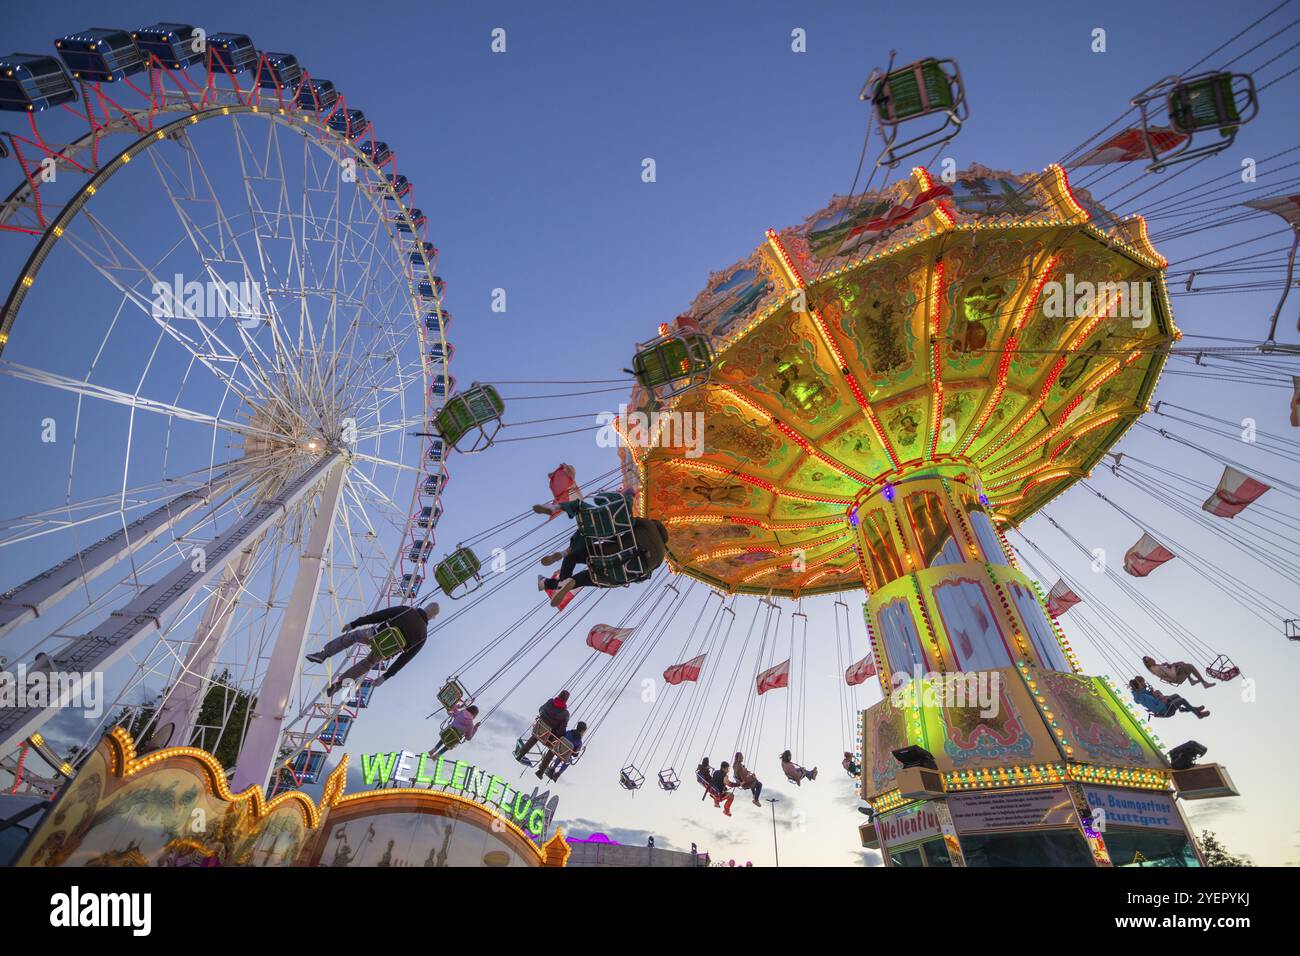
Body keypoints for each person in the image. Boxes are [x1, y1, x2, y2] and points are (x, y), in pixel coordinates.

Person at [535, 496, 670, 607]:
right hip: (618, 576)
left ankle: (564, 557)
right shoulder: (659, 560)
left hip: (609, 553)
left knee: (572, 556)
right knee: (581, 579)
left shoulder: (648, 524)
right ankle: (546, 583)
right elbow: (643, 577)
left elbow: (627, 524)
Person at [306, 601, 439, 697]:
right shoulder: (423, 636)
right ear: (433, 617)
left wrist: (355, 623)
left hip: (375, 635)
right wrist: (386, 676)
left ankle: (323, 654)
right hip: (384, 652)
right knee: (367, 664)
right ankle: (339, 685)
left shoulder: (407, 610)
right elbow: (404, 660)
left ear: (425, 607)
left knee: (354, 637)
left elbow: (379, 615)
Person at [516, 691, 570, 763]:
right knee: (553, 748)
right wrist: (559, 734)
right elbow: (562, 730)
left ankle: (520, 754)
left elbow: (540, 709)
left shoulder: (551, 701)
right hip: (549, 736)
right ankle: (541, 769)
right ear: (566, 700)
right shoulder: (565, 714)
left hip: (539, 728)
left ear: (559, 695)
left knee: (536, 735)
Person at [1129, 676, 1209, 719]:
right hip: (1165, 711)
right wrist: (1163, 701)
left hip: (1164, 706)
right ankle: (1198, 713)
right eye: (1143, 682)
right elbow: (1155, 709)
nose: (1144, 684)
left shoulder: (1144, 693)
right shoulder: (1144, 697)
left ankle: (1183, 709)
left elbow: (1155, 700)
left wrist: (1157, 695)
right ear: (1139, 685)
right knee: (1181, 700)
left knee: (1176, 696)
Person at [1142, 656, 1215, 688]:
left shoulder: (1154, 668)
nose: (1152, 658)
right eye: (1150, 659)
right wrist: (1173, 666)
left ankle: (1192, 680)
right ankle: (1203, 683)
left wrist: (1168, 666)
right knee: (1188, 666)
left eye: (1150, 657)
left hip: (1174, 679)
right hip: (1177, 678)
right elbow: (1173, 675)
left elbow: (1165, 674)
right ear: (1148, 663)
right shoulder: (1157, 668)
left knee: (1184, 665)